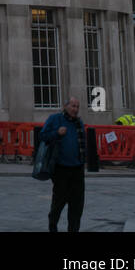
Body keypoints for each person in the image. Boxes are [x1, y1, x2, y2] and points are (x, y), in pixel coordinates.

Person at [40, 95, 86, 233]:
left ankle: (73, 229)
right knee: (59, 201)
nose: (75, 109)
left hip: (77, 168)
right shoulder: (55, 119)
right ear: (65, 106)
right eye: (73, 106)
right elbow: (42, 136)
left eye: (77, 106)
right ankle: (53, 224)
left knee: (77, 204)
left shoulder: (79, 122)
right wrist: (56, 133)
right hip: (61, 168)